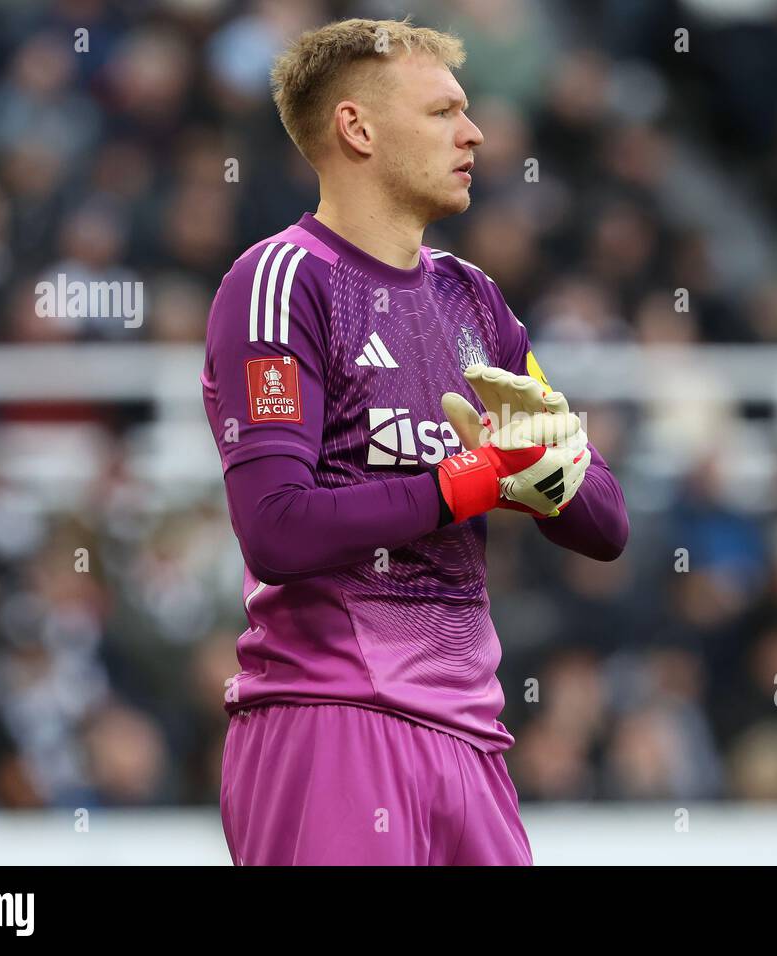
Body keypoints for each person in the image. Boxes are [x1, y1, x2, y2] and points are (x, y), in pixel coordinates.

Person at [201, 17, 629, 865]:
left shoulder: (477, 302)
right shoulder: (280, 281)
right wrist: (473, 482)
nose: (474, 132)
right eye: (442, 112)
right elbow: (277, 527)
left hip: (473, 738)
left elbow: (607, 523)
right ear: (356, 127)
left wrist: (551, 475)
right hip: (331, 722)